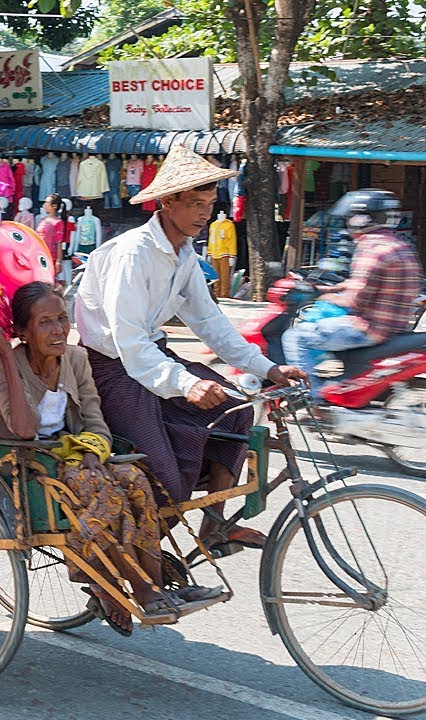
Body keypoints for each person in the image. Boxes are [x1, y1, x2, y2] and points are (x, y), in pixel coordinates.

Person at [74, 144, 305, 549]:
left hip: (150, 359)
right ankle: (118, 568)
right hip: (112, 369)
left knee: (235, 413)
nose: (204, 214)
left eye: (208, 203)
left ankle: (215, 526)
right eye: (196, 204)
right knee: (166, 479)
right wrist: (184, 384)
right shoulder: (133, 254)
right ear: (167, 202)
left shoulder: (183, 253)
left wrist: (267, 368)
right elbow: (129, 342)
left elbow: (209, 321)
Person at [0, 282, 224, 636]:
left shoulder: (76, 360)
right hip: (26, 464)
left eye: (62, 319)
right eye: (45, 322)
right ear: (22, 331)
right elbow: (24, 429)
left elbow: (95, 419)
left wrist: (94, 450)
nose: (58, 329)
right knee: (99, 489)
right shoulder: (2, 368)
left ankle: (155, 587)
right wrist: (5, 356)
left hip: (73, 456)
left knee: (136, 479)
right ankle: (130, 589)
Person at [283, 189, 422, 400]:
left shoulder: (371, 247)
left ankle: (311, 399)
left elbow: (354, 300)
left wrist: (322, 297)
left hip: (369, 329)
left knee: (295, 336)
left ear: (362, 219)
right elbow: (369, 284)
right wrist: (330, 289)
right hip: (397, 326)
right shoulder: (399, 245)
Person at [35, 193, 73, 285]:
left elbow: (59, 243)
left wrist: (58, 262)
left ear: (54, 206)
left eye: (47, 202)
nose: (44, 205)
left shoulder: (58, 222)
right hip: (39, 255)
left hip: (50, 256)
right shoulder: (43, 220)